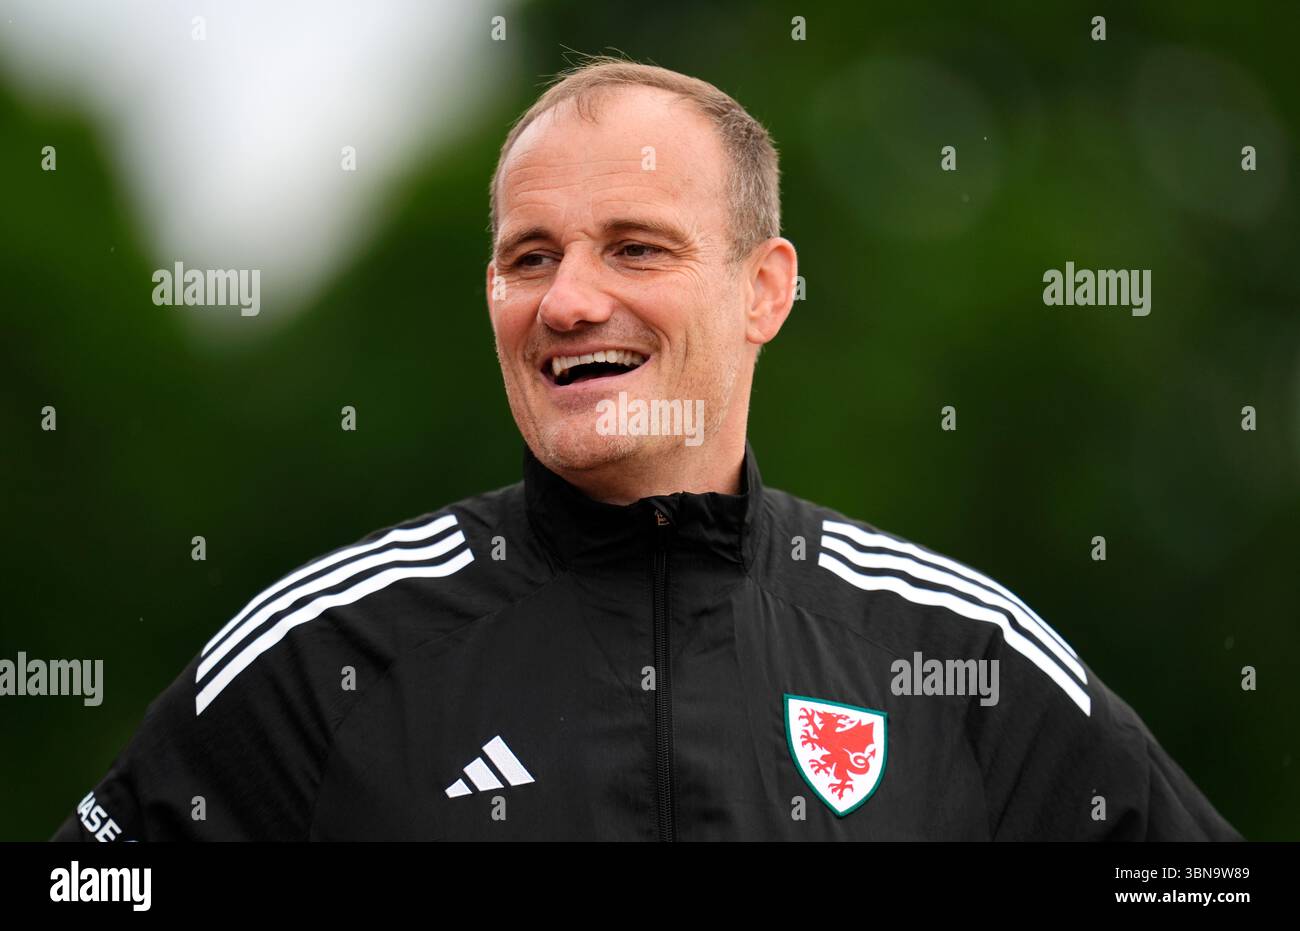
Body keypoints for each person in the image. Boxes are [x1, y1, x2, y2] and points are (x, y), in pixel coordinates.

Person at [52, 56, 1241, 841]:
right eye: (530, 257)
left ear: (762, 290)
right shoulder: (325, 657)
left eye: (635, 248)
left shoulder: (954, 654)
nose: (568, 301)